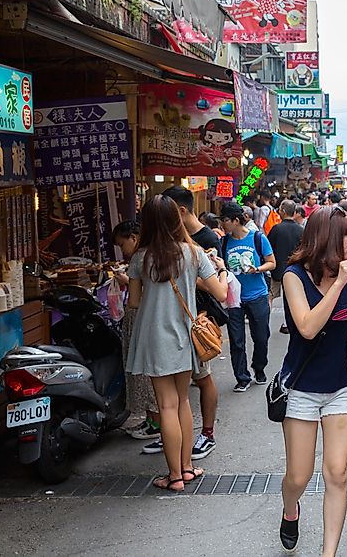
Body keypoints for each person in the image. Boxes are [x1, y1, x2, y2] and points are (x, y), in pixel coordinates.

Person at [277, 206, 347, 556]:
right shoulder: (293, 277)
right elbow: (307, 326)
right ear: (328, 239)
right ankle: (291, 509)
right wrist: (339, 284)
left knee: (338, 473)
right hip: (302, 387)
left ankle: (328, 553)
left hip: (341, 386)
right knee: (298, 477)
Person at [126, 195, 229, 491]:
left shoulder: (140, 257)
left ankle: (173, 478)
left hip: (153, 337)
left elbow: (133, 302)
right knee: (183, 401)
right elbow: (221, 294)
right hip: (184, 335)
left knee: (166, 405)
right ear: (175, 219)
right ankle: (186, 469)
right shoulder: (193, 253)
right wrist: (221, 271)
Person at [162, 186, 225, 460]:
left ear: (182, 211)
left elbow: (216, 285)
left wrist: (184, 274)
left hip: (197, 319)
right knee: (180, 390)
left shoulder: (205, 238)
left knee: (202, 377)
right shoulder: (176, 240)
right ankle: (175, 442)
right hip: (178, 319)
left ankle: (207, 434)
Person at [221, 200, 276, 392]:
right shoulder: (224, 242)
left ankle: (259, 368)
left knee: (261, 337)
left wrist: (257, 269)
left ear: (236, 220)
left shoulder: (257, 238)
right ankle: (242, 377)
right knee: (236, 340)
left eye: (225, 220)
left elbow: (272, 263)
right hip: (234, 299)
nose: (222, 224)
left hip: (258, 295)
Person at [113, 221, 160, 442]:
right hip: (155, 321)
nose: (122, 250)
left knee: (145, 373)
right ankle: (152, 420)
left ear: (134, 237)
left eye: (123, 244)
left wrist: (126, 280)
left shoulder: (140, 258)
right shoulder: (164, 252)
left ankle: (155, 423)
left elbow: (134, 300)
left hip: (142, 320)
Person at [267, 199, 304, 335]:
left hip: (276, 269)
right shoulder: (301, 230)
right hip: (295, 270)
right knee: (290, 298)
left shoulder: (276, 229)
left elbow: (268, 249)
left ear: (282, 211)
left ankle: (265, 322)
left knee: (270, 296)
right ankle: (287, 323)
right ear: (294, 212)